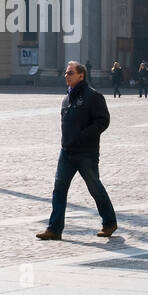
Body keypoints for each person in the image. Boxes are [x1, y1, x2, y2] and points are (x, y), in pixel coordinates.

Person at [36, 61, 117, 240]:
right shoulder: (67, 98)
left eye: (70, 73)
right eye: (66, 73)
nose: (67, 75)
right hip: (66, 152)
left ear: (81, 75)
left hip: (86, 152)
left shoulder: (93, 96)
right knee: (59, 189)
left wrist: (84, 135)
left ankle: (109, 223)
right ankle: (54, 229)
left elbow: (103, 121)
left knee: (95, 188)